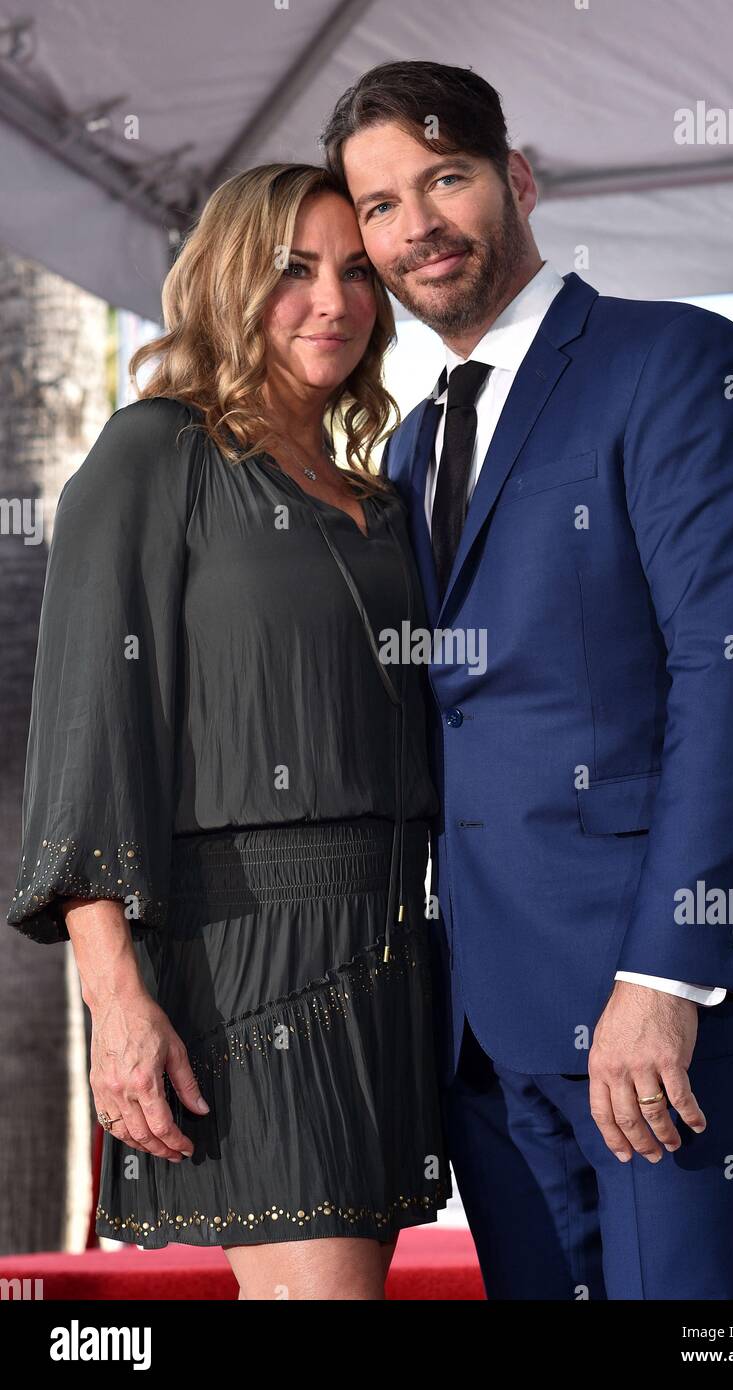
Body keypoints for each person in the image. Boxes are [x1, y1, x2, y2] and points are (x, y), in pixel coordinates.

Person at [321, 60, 733, 1300]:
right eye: (380, 205)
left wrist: (664, 978)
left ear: (515, 176)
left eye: (442, 179)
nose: (414, 227)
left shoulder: (672, 361)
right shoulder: (405, 441)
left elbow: (728, 680)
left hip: (654, 1005)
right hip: (482, 1033)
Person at [6, 162, 451, 1301]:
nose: (333, 301)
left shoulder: (388, 494)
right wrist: (117, 1003)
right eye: (292, 270)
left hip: (400, 956)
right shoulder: (154, 454)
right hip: (253, 963)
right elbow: (84, 745)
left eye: (357, 272)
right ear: (225, 280)